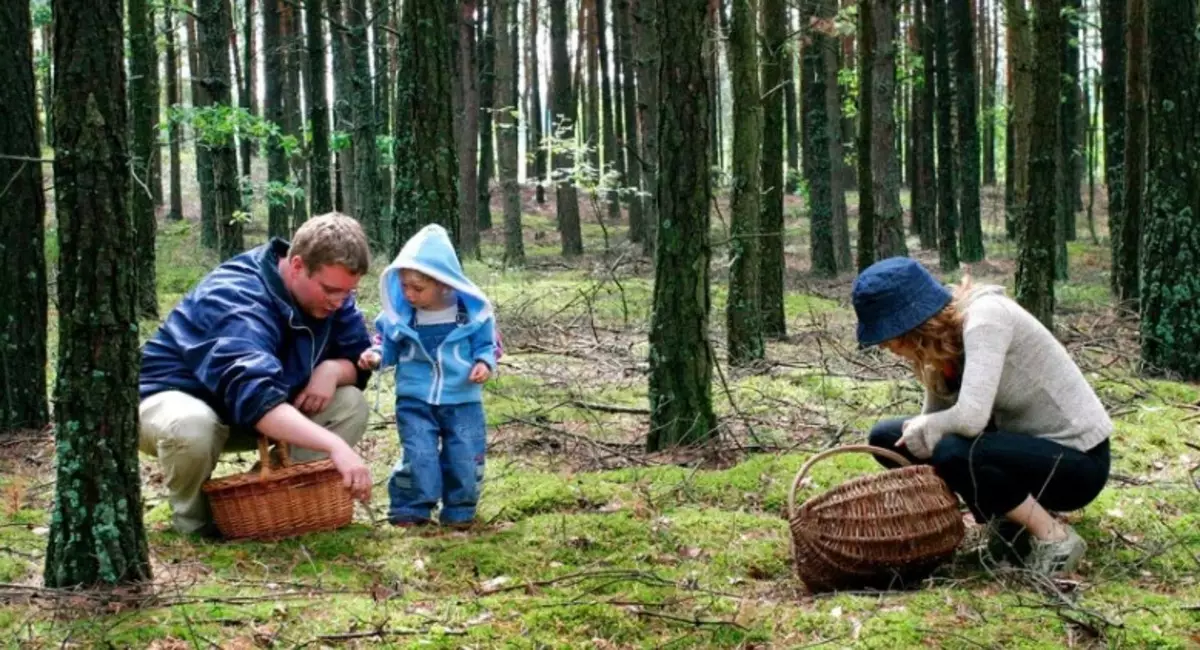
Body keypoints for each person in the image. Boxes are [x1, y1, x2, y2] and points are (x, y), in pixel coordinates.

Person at [852, 257, 1112, 576]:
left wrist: (931, 432)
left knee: (952, 450)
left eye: (887, 336)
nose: (885, 346)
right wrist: (920, 439)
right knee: (887, 438)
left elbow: (971, 418)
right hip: (1017, 451)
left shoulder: (985, 318)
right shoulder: (940, 343)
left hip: (1076, 464)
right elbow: (934, 418)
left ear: (910, 327)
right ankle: (1005, 521)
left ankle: (1054, 537)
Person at [139, 213, 376, 537]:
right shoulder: (236, 296)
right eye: (330, 290)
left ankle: (263, 503)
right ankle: (196, 527)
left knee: (349, 404)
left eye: (347, 293)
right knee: (193, 425)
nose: (339, 302)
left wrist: (333, 369)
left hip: (251, 412)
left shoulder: (333, 296)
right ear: (296, 266)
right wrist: (336, 447)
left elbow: (358, 360)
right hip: (173, 399)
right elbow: (256, 398)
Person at [358, 224, 497, 530]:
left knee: (465, 454)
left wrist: (484, 364)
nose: (409, 294)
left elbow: (487, 345)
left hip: (462, 399)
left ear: (444, 284)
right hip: (415, 398)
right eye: (404, 285)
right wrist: (377, 357)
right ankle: (410, 508)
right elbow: (387, 344)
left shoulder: (472, 314)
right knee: (418, 453)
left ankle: (459, 510)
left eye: (417, 288)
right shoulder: (401, 315)